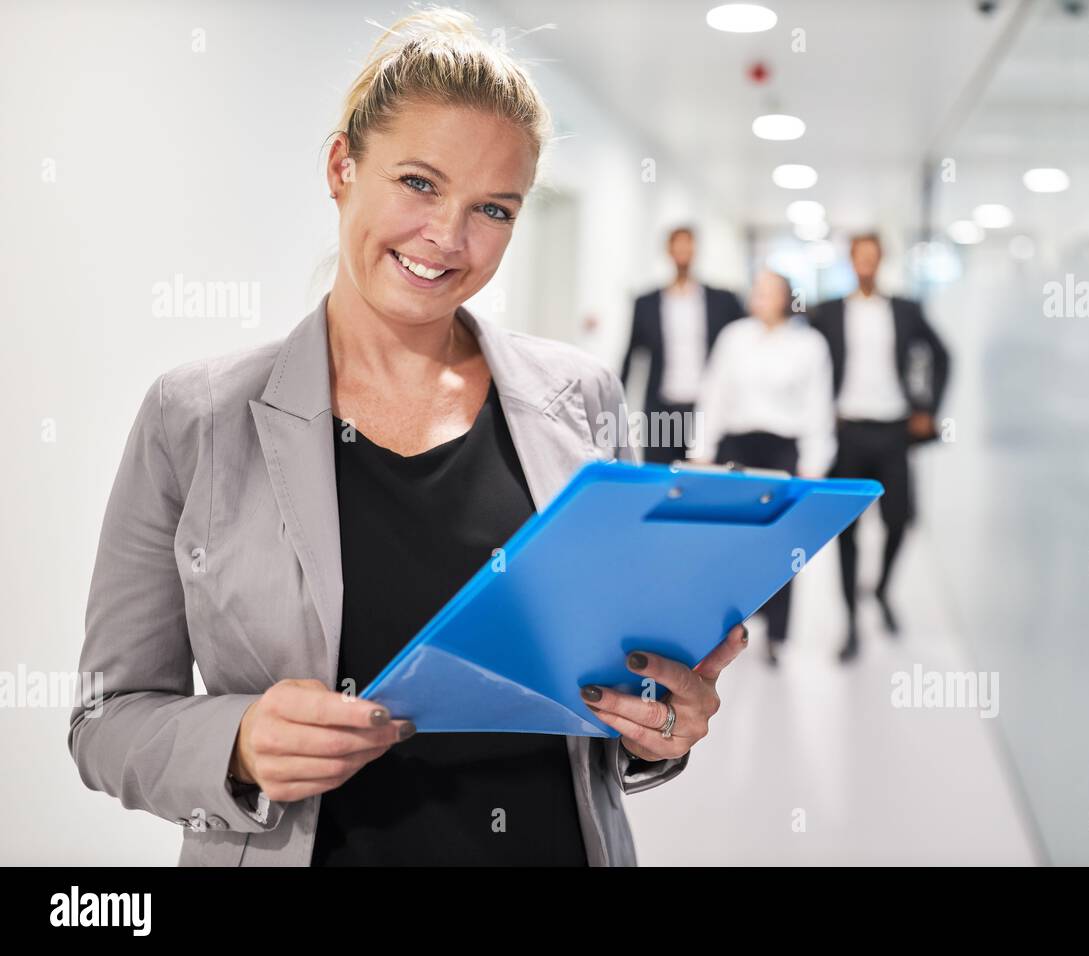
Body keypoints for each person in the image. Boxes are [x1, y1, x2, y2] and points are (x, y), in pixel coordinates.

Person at [67, 6, 747, 868]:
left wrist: (662, 726)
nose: (448, 239)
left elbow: (613, 701)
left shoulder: (583, 398)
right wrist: (235, 740)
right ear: (341, 166)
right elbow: (105, 717)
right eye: (419, 183)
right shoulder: (194, 417)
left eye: (493, 208)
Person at [810, 232, 950, 663]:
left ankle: (883, 589)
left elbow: (942, 354)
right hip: (847, 431)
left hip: (894, 430)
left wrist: (928, 407)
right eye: (859, 256)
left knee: (899, 519)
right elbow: (808, 364)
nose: (866, 263)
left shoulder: (905, 309)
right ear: (851, 261)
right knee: (847, 530)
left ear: (881, 260)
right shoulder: (827, 312)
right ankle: (850, 622)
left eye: (873, 256)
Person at [687, 270, 836, 666]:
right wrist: (701, 450)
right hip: (737, 448)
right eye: (756, 289)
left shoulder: (810, 344)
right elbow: (713, 393)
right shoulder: (734, 337)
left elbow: (817, 407)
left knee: (782, 545)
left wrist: (814, 463)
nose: (759, 296)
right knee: (733, 542)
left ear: (787, 297)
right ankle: (727, 631)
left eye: (768, 291)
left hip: (783, 451)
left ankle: (777, 635)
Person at [619, 227, 745, 464]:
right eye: (677, 246)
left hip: (707, 408)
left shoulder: (722, 301)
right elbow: (631, 356)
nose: (683, 251)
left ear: (695, 250)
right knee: (660, 478)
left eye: (688, 245)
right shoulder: (646, 302)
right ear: (668, 251)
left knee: (705, 477)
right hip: (661, 408)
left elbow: (742, 347)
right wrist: (615, 404)